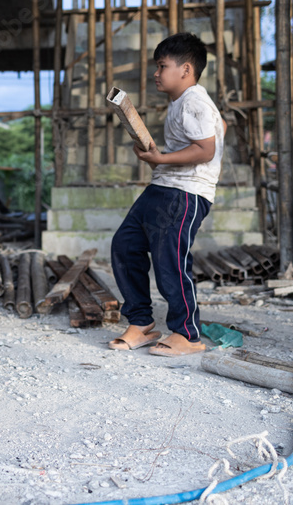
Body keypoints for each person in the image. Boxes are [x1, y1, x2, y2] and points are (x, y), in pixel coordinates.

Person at [107, 32, 225, 357]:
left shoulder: (194, 100)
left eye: (162, 66)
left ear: (186, 69)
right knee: (126, 245)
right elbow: (219, 129)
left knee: (170, 261)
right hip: (163, 187)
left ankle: (187, 334)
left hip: (185, 193)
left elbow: (206, 150)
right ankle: (141, 323)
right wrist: (159, 159)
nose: (156, 73)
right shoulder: (184, 102)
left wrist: (160, 158)